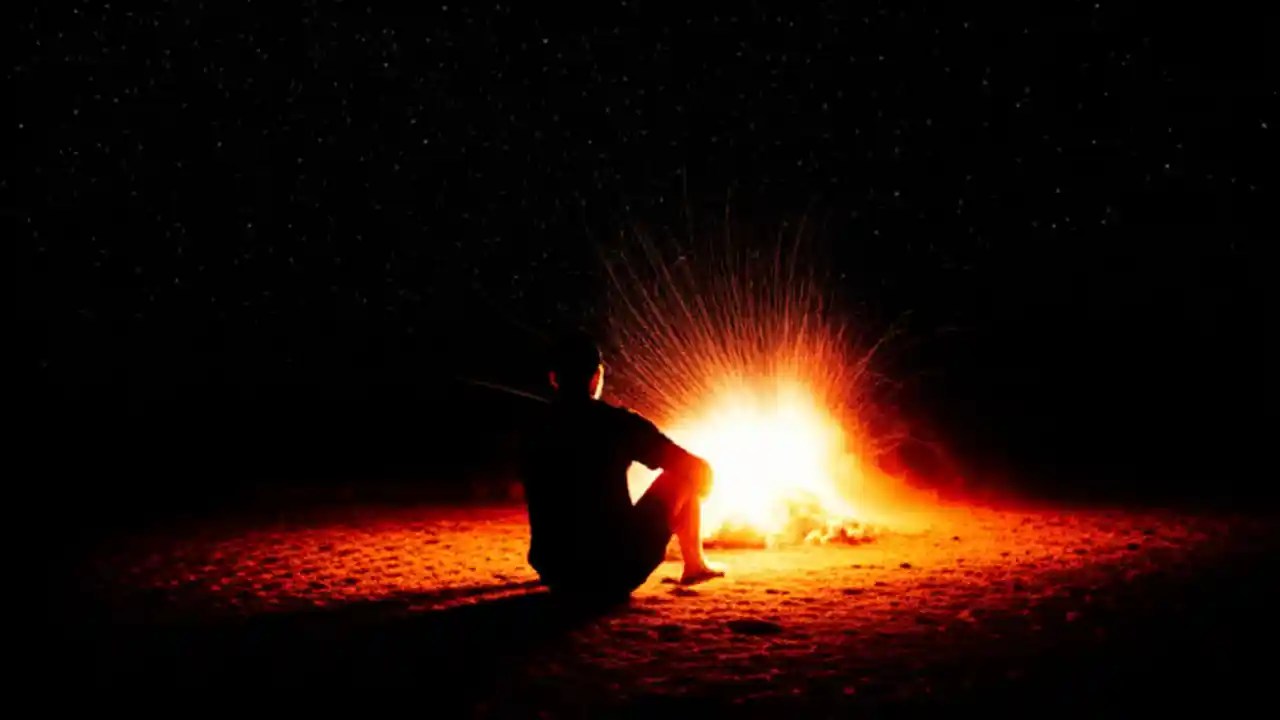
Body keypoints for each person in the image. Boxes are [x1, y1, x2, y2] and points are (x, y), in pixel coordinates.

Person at [519, 331, 725, 598]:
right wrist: (700, 490)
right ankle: (695, 566)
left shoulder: (534, 428)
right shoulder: (618, 423)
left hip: (555, 570)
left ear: (553, 377)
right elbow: (694, 467)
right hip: (617, 570)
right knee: (683, 475)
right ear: (597, 376)